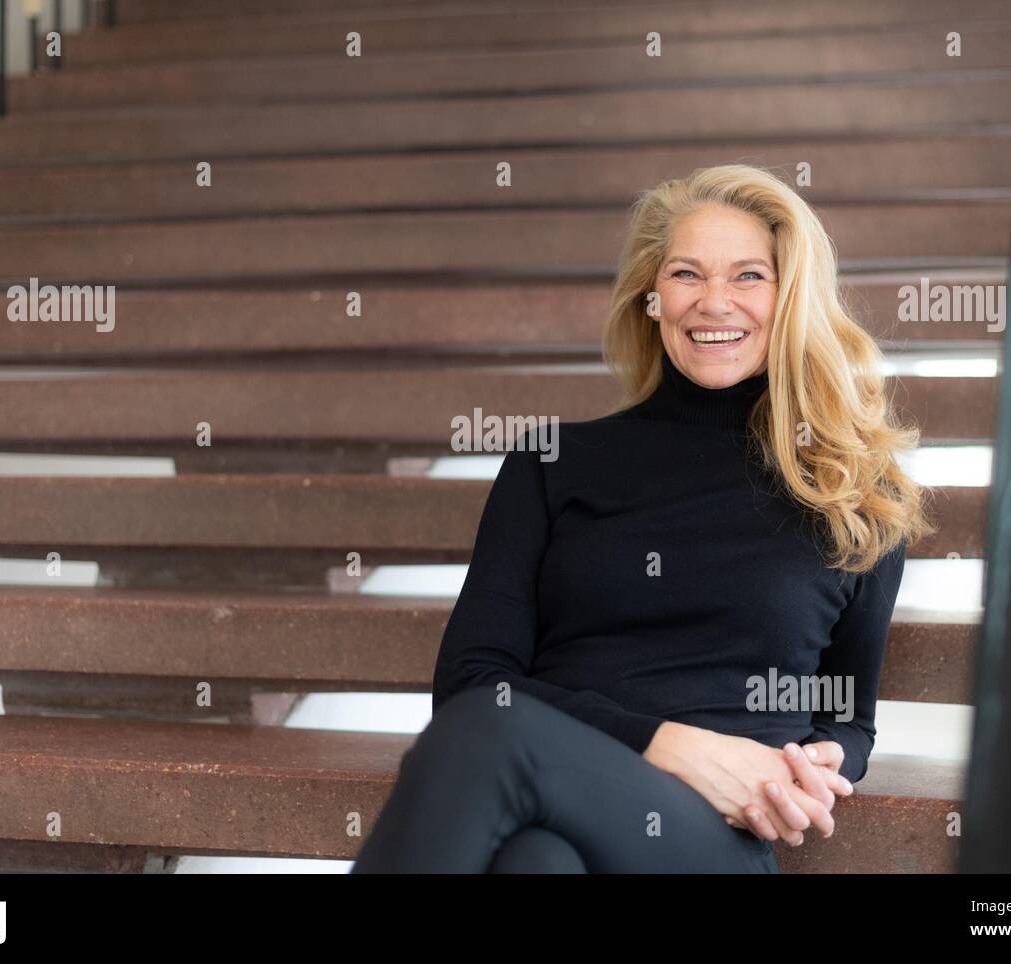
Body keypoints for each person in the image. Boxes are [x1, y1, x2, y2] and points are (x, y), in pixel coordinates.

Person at [351, 164, 935, 873]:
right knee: (534, 863)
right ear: (652, 299)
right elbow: (473, 679)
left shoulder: (852, 489)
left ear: (792, 298)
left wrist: (825, 761)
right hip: (558, 792)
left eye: (749, 276)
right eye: (687, 274)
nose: (714, 303)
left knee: (492, 743)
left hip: (712, 841)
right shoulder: (552, 461)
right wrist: (677, 745)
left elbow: (849, 717)